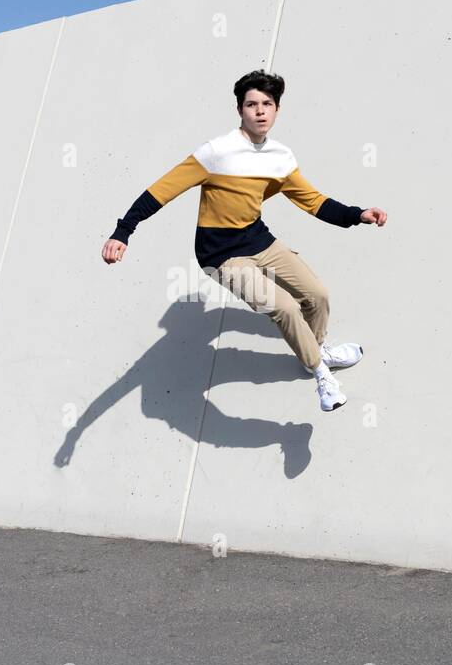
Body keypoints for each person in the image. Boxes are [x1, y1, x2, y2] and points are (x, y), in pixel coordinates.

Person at [102, 69, 388, 412]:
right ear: (240, 110)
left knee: (317, 296)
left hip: (259, 241)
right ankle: (321, 374)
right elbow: (161, 191)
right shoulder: (216, 152)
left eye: (267, 104)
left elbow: (312, 201)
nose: (260, 111)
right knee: (281, 307)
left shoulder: (280, 157)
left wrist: (357, 214)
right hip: (220, 256)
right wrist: (123, 231)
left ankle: (317, 348)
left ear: (277, 110)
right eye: (252, 104)